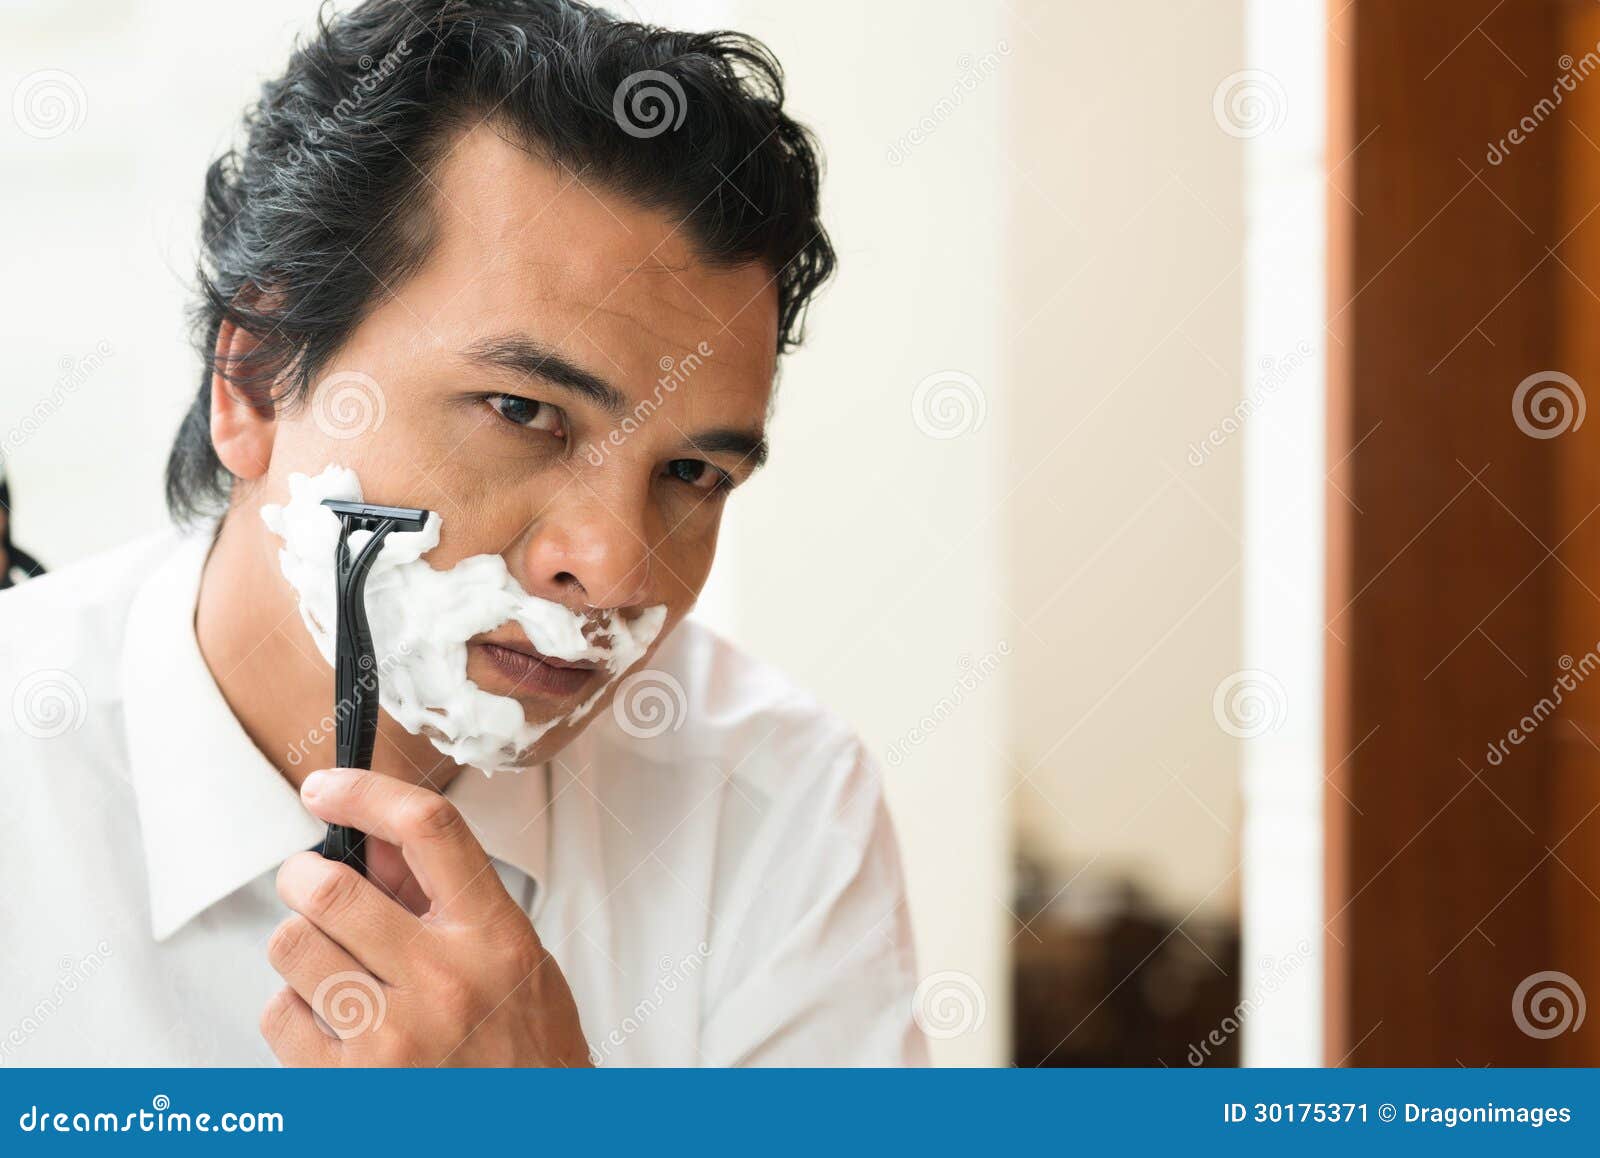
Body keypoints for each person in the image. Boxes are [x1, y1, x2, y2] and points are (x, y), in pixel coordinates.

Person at [0, 0, 923, 1066]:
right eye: (523, 411)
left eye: (690, 472)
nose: (615, 567)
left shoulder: (773, 816)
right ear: (252, 381)